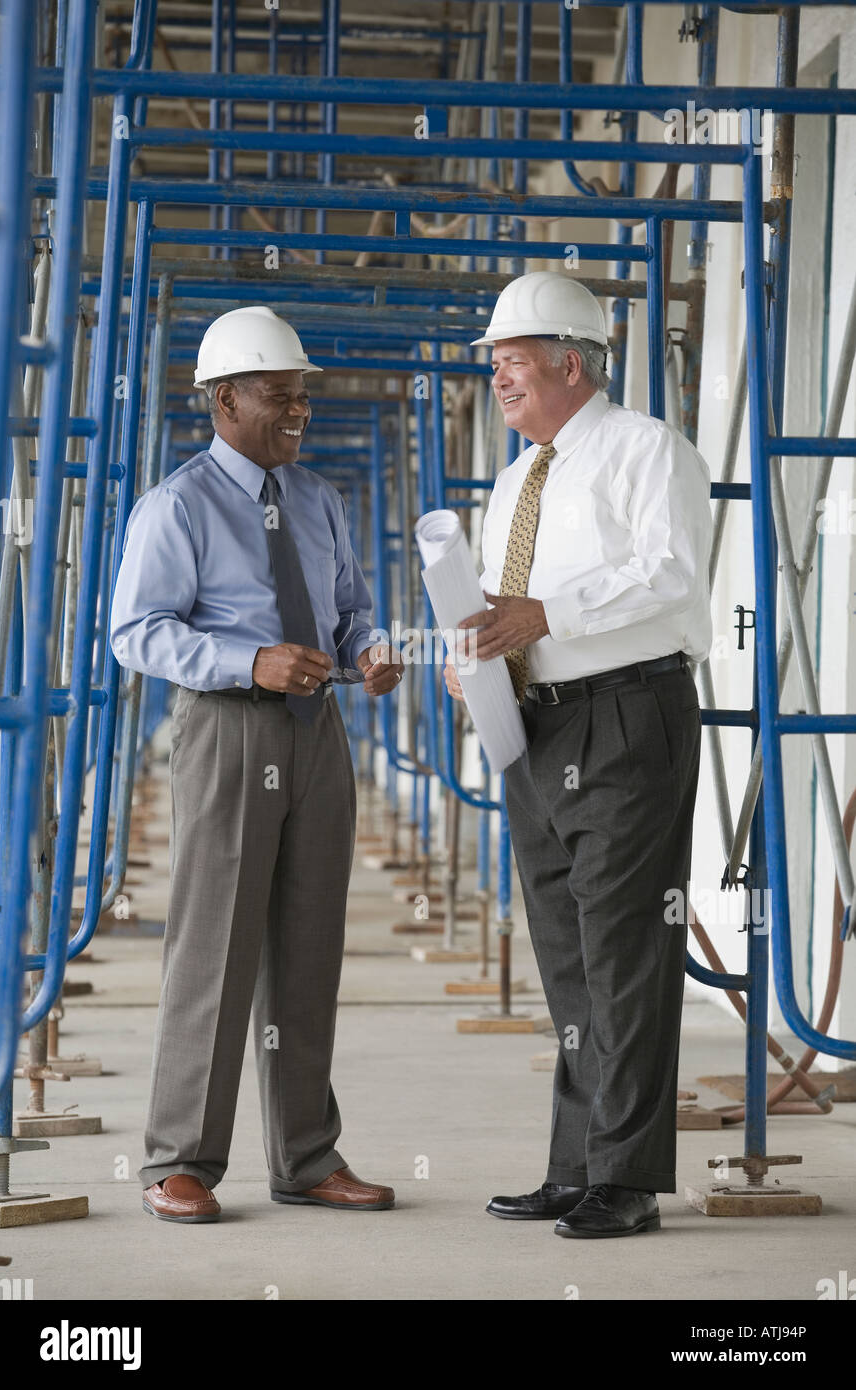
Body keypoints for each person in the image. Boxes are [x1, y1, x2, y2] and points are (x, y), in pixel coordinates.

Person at [109, 306, 403, 1223]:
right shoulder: (178, 506)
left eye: (303, 396)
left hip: (317, 732)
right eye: (280, 395)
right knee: (215, 945)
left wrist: (370, 650)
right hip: (230, 729)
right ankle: (181, 1158)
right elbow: (136, 632)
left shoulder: (319, 500)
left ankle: (307, 1156)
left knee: (310, 945)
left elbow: (350, 606)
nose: (298, 410)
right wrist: (249, 660)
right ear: (224, 399)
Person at [444, 272, 712, 1238]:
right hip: (536, 721)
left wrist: (545, 615)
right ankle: (576, 1164)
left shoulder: (646, 450)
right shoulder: (517, 481)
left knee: (624, 945)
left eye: (511, 361)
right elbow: (499, 601)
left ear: (570, 360)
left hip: (626, 715)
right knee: (564, 948)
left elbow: (673, 571)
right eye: (496, 364)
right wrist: (474, 652)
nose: (500, 379)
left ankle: (629, 1177)